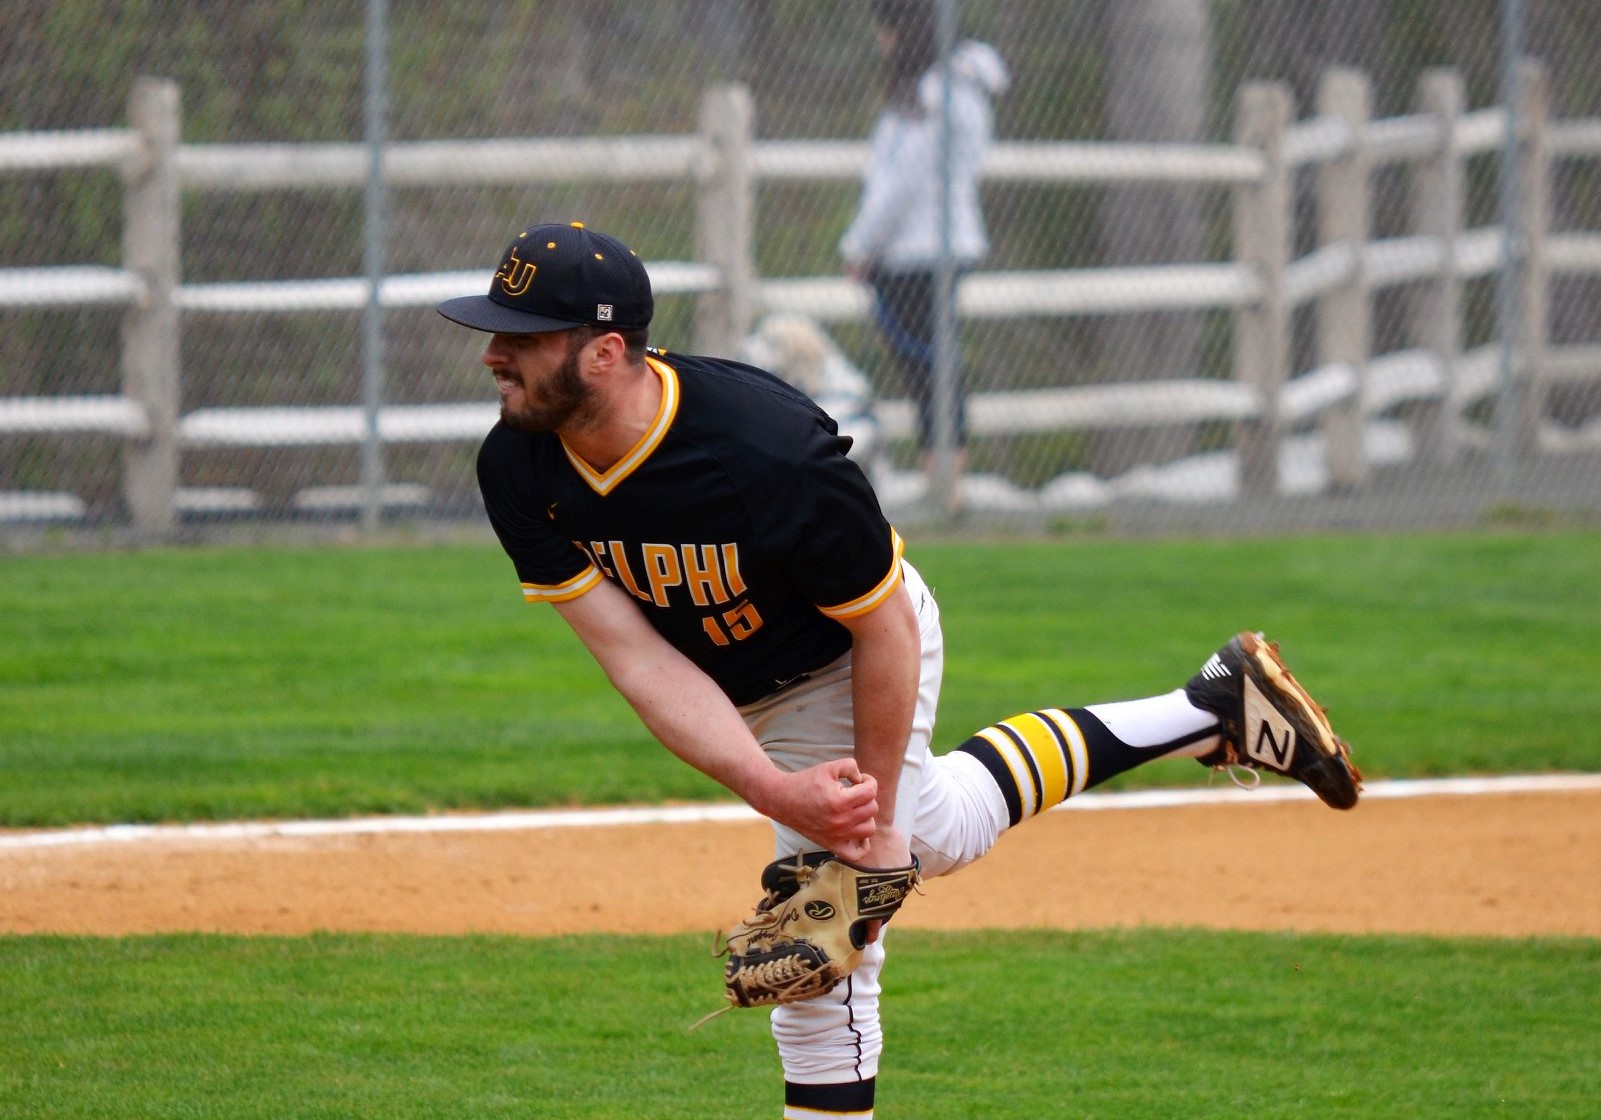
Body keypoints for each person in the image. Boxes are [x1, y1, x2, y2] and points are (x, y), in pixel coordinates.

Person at [439, 221, 1361, 1120]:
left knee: (823, 945)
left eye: (521, 337)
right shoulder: (517, 467)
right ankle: (1210, 704)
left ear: (604, 352)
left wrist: (860, 833)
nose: (493, 354)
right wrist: (778, 788)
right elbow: (639, 660)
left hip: (848, 654)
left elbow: (881, 628)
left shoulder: (766, 450)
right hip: (741, 687)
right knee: (938, 835)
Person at [838, 0, 1009, 499]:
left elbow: (901, 183)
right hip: (941, 244)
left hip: (916, 251)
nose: (880, 41)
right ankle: (944, 478)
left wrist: (860, 245)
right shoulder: (961, 91)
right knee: (934, 366)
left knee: (928, 369)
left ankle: (944, 483)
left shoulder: (934, 96)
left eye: (885, 30)